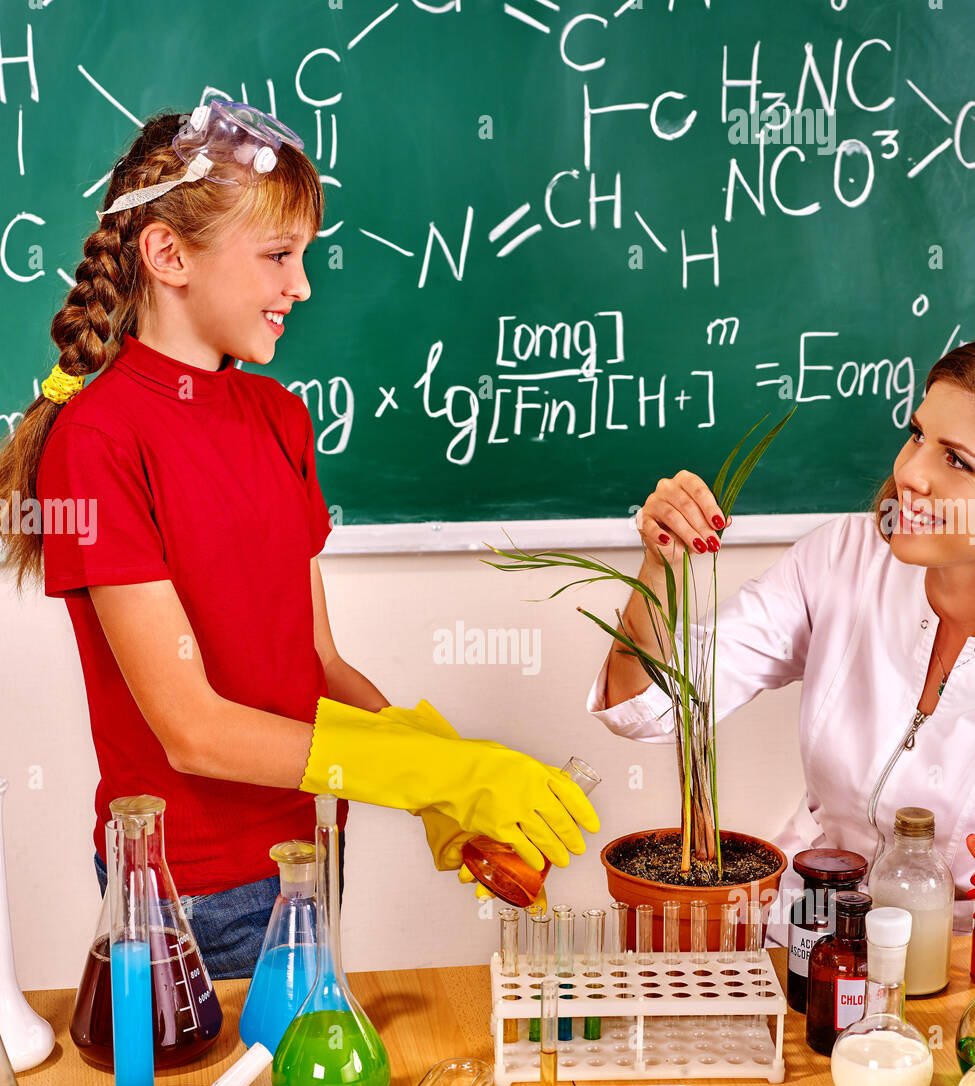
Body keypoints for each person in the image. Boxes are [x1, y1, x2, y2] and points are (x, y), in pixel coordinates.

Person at [0, 100, 597, 978]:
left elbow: (315, 660)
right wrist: (425, 777)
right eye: (278, 257)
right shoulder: (98, 442)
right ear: (168, 256)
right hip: (191, 891)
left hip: (314, 850)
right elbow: (192, 733)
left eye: (303, 257)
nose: (302, 286)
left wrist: (442, 777)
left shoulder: (279, 417)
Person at [588, 345, 975, 943]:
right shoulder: (842, 559)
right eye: (917, 435)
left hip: (950, 965)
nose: (911, 473)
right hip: (801, 934)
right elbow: (654, 708)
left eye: (957, 460)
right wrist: (658, 567)